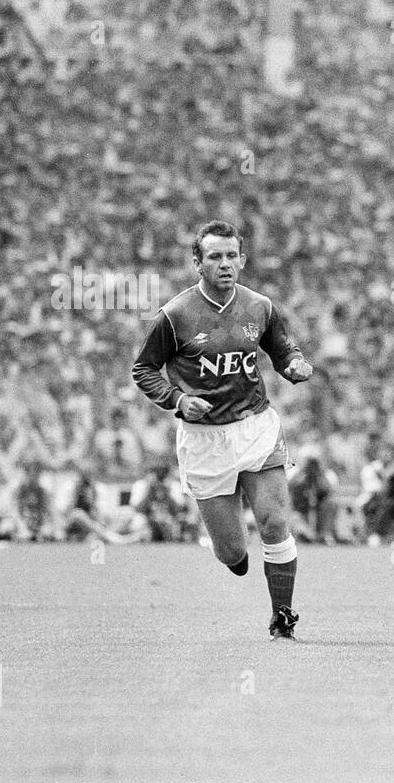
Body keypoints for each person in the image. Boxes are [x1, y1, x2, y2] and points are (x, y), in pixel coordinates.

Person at [132, 220, 313, 640]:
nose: (225, 263)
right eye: (215, 256)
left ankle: (282, 616)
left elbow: (281, 348)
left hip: (255, 427)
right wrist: (178, 400)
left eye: (232, 255)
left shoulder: (260, 307)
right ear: (198, 263)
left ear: (243, 259)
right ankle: (234, 554)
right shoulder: (175, 315)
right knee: (231, 550)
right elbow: (143, 368)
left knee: (274, 523)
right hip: (204, 438)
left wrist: (293, 365)